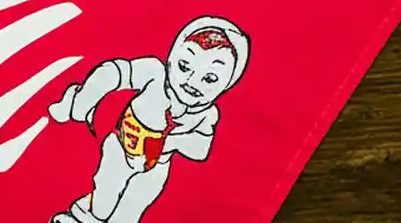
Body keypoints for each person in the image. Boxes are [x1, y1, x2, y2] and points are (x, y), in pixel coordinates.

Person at [47, 16, 251, 223]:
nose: (191, 81)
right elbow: (117, 71)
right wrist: (87, 97)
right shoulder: (155, 73)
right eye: (184, 66)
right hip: (120, 147)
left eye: (210, 78)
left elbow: (201, 149)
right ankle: (86, 216)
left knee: (130, 211)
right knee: (104, 197)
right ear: (172, 57)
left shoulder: (207, 114)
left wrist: (170, 142)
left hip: (156, 166)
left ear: (228, 82)